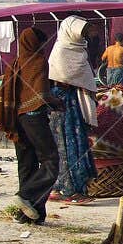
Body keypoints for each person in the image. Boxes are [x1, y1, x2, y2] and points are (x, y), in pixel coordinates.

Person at [0, 27, 58, 223]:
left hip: (16, 118)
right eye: (43, 44)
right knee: (51, 161)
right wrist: (56, 102)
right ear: (36, 44)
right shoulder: (38, 62)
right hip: (34, 117)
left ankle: (30, 215)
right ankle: (27, 195)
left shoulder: (15, 62)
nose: (45, 47)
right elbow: (41, 95)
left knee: (27, 164)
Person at [47, 16, 99, 203]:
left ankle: (60, 189)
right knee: (68, 146)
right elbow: (62, 77)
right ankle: (70, 191)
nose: (84, 35)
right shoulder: (61, 50)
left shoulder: (78, 50)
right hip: (62, 104)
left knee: (71, 145)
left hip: (71, 102)